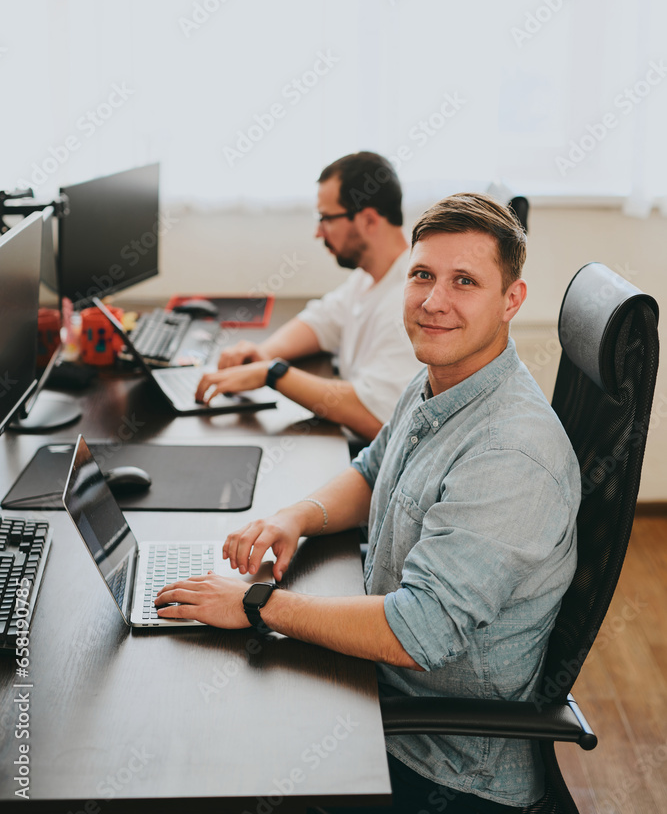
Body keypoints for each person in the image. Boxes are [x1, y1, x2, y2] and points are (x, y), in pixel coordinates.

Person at [157, 193, 581, 812]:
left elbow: (418, 633)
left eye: (465, 281)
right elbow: (371, 470)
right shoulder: (442, 377)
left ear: (511, 301)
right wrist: (295, 516)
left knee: (200, 765)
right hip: (380, 695)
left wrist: (256, 602)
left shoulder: (510, 455)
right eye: (422, 276)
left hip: (441, 767)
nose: (435, 301)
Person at [195, 152, 421, 440]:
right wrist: (264, 353)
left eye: (326, 219)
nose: (318, 232)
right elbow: (321, 321)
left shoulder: (406, 304)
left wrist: (273, 374)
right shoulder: (370, 276)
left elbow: (378, 418)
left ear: (368, 220)